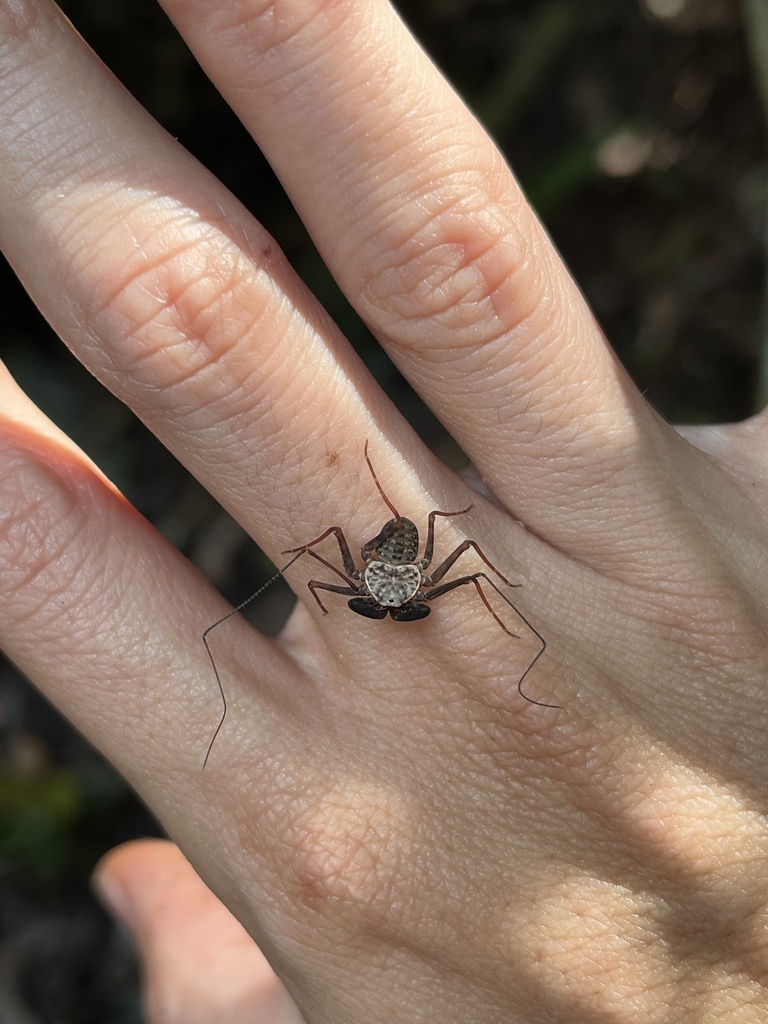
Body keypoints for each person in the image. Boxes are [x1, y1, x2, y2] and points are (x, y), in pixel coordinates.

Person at [1, 0, 767, 1021]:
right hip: (389, 564)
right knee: (344, 551)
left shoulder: (413, 587)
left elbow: (456, 566)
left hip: (407, 562)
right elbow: (374, 560)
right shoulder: (374, 583)